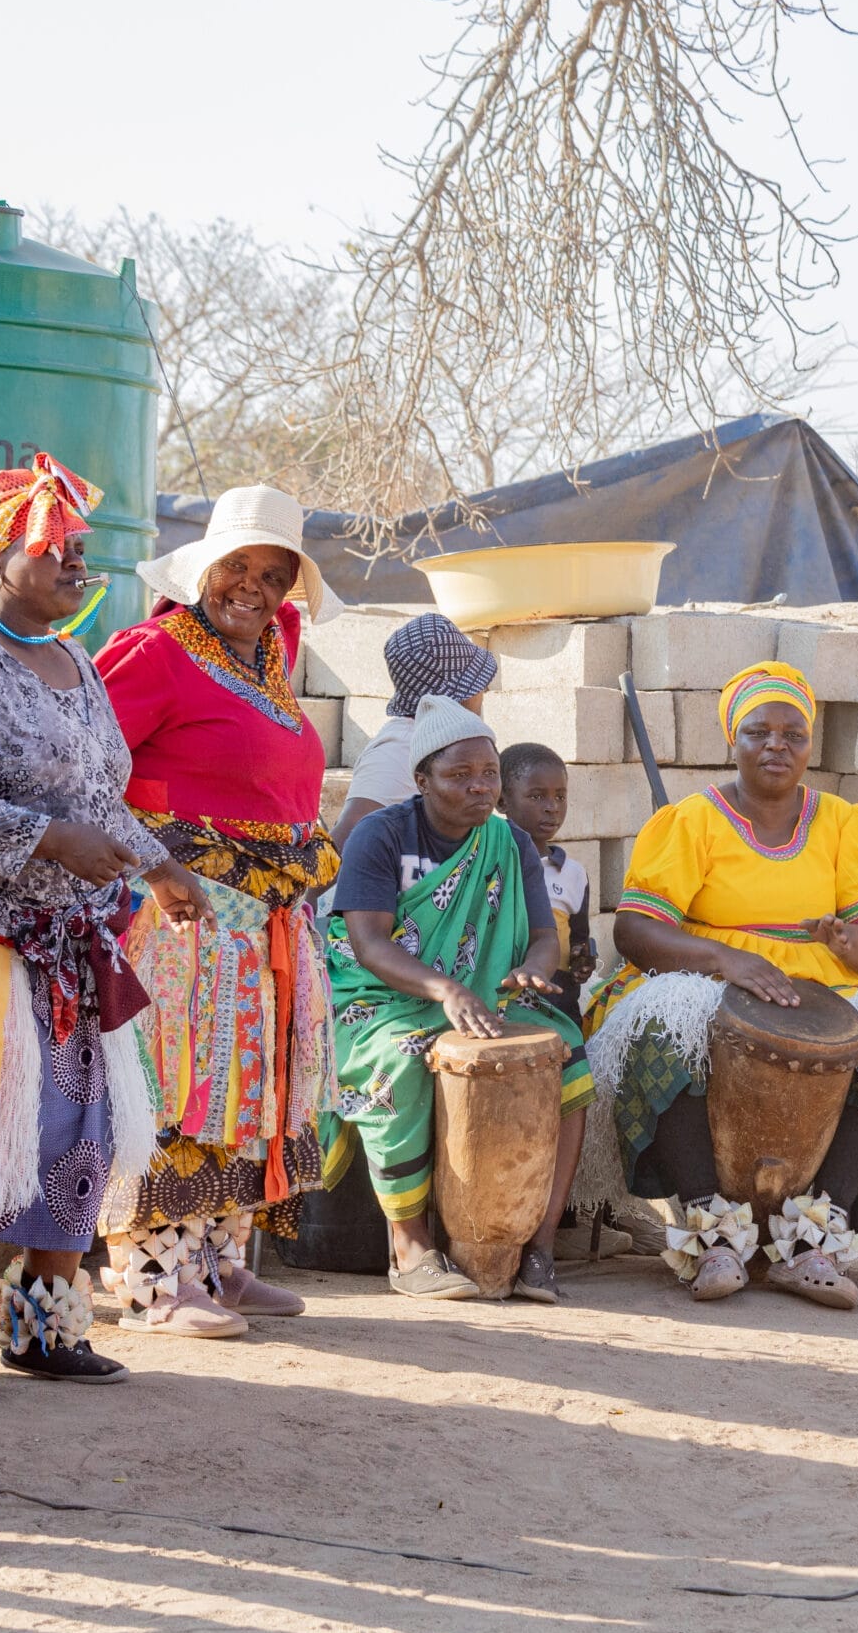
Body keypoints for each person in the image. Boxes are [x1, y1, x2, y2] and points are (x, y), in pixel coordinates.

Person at [0, 453, 210, 1391]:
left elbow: (100, 793)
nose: (80, 567)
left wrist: (159, 867)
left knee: (77, 1132)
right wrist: (46, 839)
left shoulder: (75, 660)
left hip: (69, 943)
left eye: (81, 551)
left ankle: (45, 1325)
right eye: (57, 551)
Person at [587, 663, 858, 1311]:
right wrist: (726, 959)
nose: (777, 744)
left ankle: (813, 1240)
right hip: (705, 970)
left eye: (793, 733)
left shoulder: (844, 822)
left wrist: (845, 942)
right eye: (759, 731)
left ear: (810, 745)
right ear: (733, 739)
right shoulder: (692, 820)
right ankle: (710, 1231)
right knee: (664, 1026)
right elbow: (637, 931)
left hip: (821, 981)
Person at [90, 482, 341, 1337]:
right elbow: (87, 771)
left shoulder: (268, 658)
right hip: (182, 917)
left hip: (261, 922)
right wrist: (155, 865)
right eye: (239, 565)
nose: (254, 587)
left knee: (242, 1092)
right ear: (202, 567)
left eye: (274, 575)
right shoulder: (153, 651)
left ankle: (218, 1264)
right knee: (180, 1088)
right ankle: (154, 1281)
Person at [322, 696, 593, 1302]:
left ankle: (538, 1247)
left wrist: (530, 968)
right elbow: (366, 944)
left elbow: (546, 938)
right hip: (382, 994)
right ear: (422, 782)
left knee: (567, 1056)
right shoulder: (381, 834)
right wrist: (445, 989)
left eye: (489, 775)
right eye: (459, 776)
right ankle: (410, 1246)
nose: (479, 788)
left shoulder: (509, 842)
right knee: (404, 1058)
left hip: (484, 988)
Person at [329, 611, 498, 852]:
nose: (484, 690)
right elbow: (348, 836)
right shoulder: (399, 747)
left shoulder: (445, 741)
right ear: (454, 695)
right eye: (476, 683)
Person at [499, 741, 595, 1020]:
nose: (552, 807)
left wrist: (581, 960)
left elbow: (577, 938)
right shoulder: (491, 861)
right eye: (537, 797)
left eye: (560, 797)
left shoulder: (573, 873)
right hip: (502, 1000)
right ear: (502, 801)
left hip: (557, 1002)